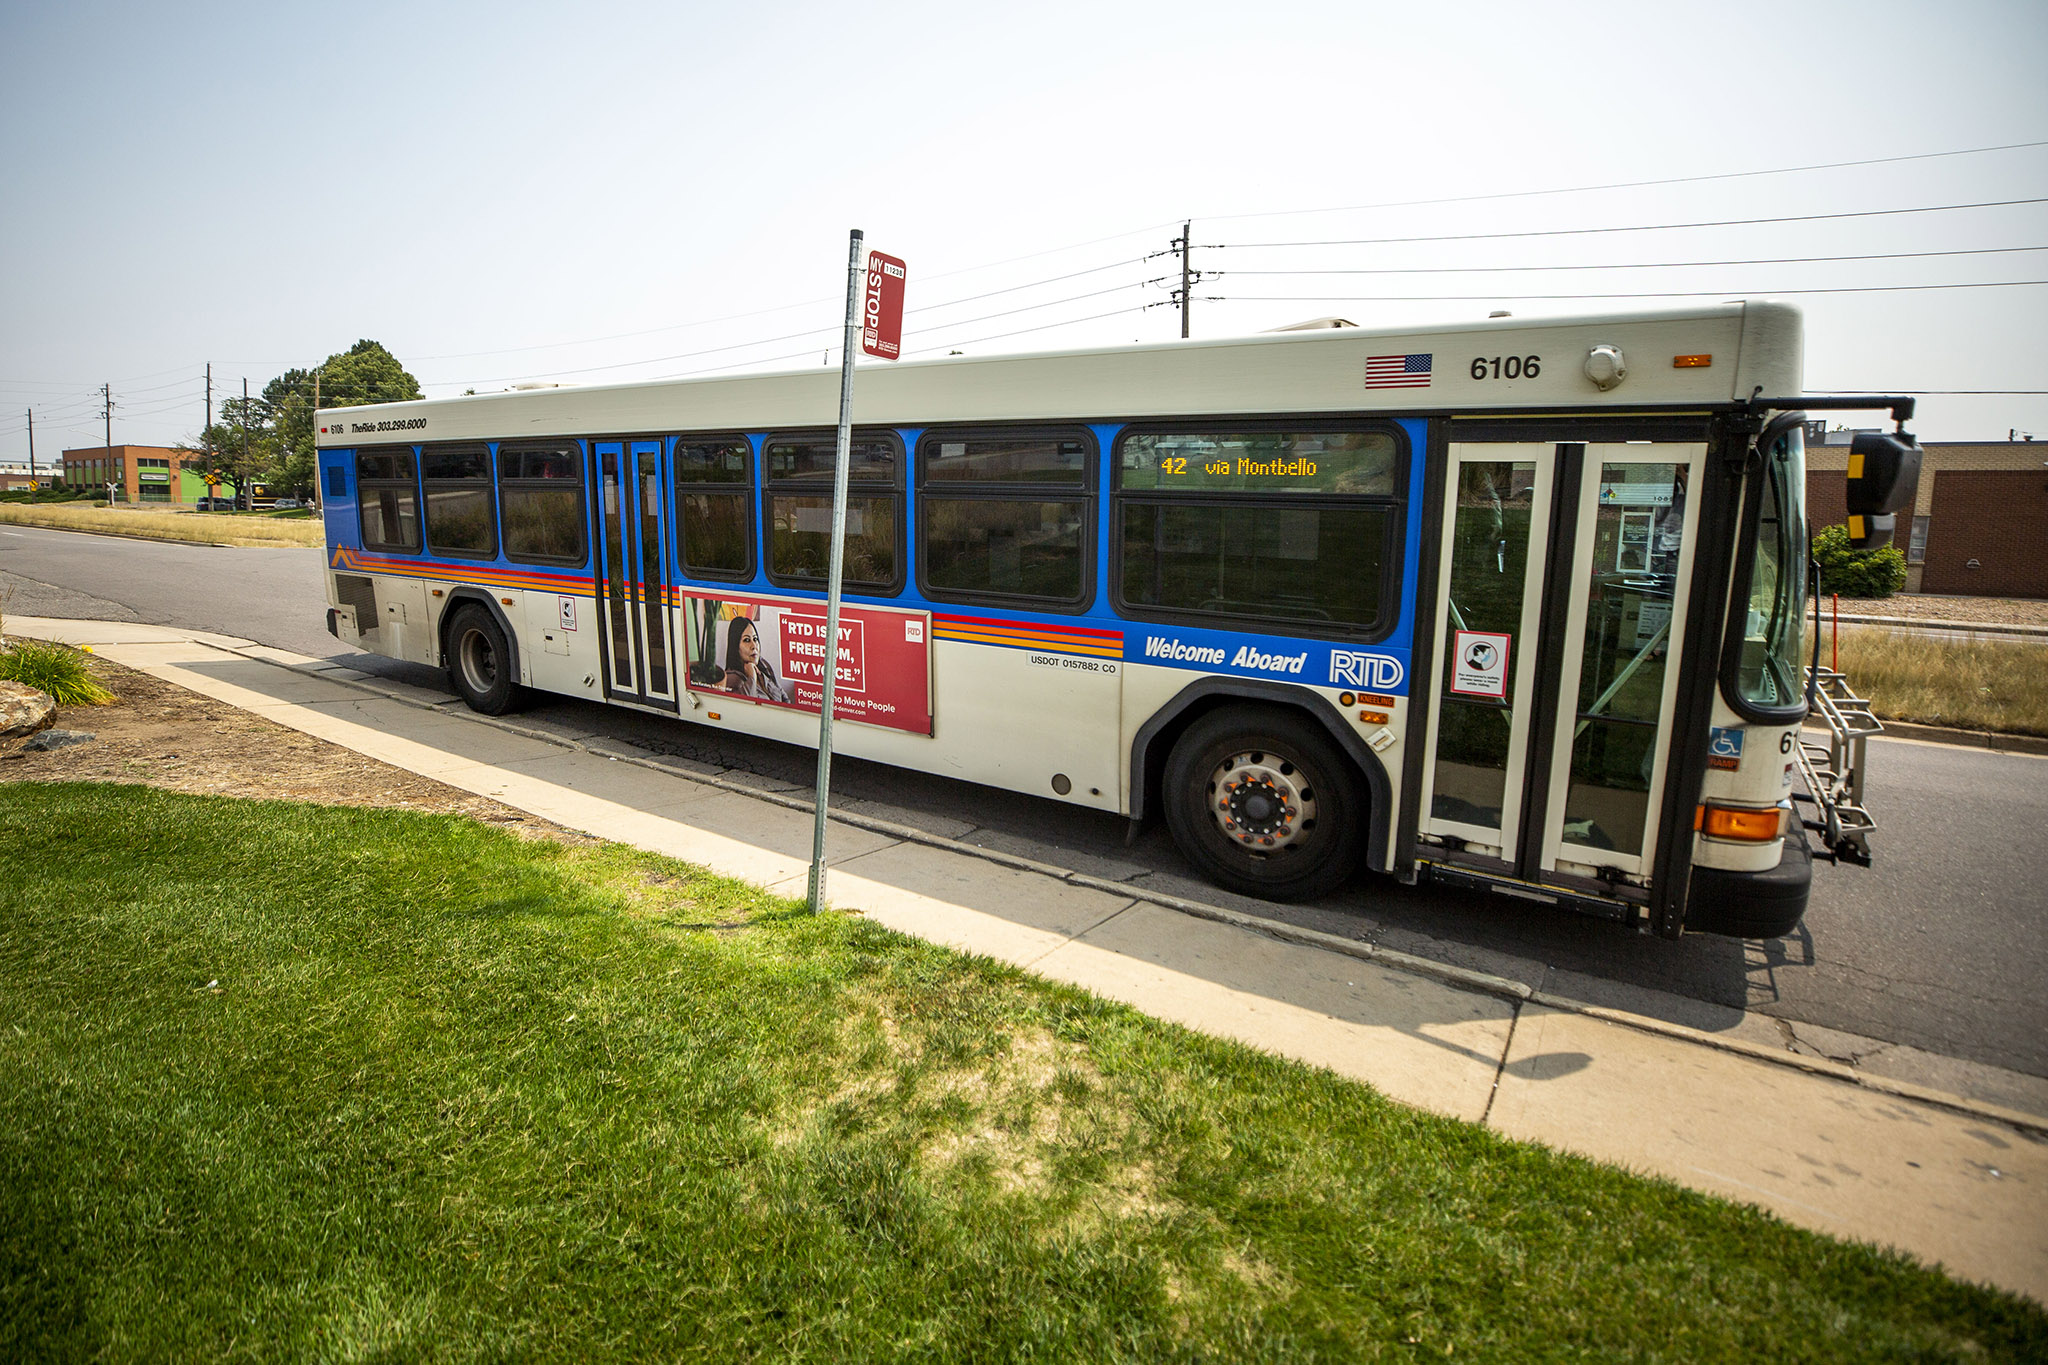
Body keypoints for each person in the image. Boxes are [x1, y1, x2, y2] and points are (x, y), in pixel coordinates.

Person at [720, 615, 792, 702]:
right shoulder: (731, 679)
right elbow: (746, 707)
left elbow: (785, 698)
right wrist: (752, 678)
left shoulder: (764, 665)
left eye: (755, 639)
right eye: (747, 640)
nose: (754, 646)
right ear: (735, 646)